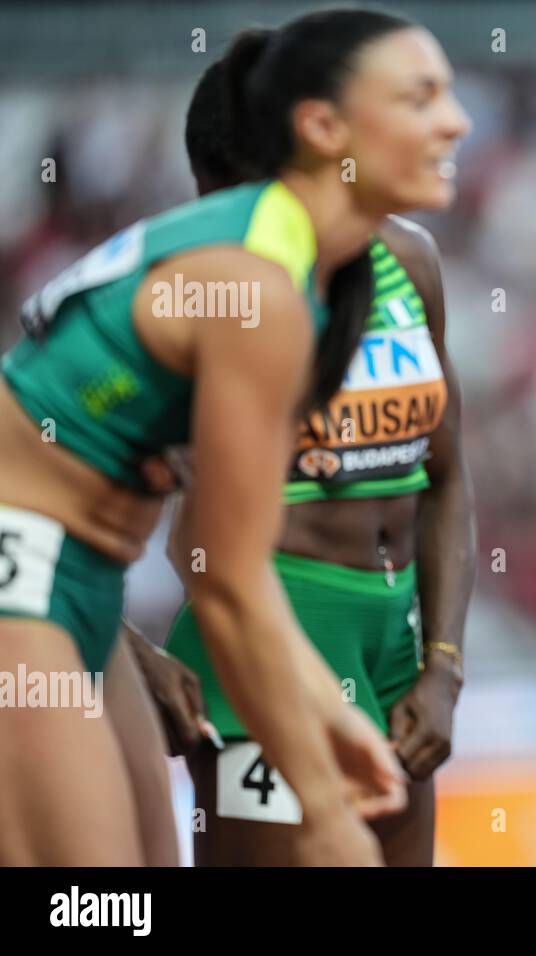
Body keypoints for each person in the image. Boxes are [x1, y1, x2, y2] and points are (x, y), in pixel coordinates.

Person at [0, 7, 462, 865]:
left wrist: (335, 717)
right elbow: (228, 579)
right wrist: (322, 808)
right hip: (20, 574)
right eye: (419, 97)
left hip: (83, 577)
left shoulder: (304, 266)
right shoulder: (255, 285)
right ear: (325, 129)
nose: (456, 119)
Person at [125, 48, 473, 866]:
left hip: (394, 647)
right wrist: (129, 648)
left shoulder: (408, 260)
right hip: (266, 637)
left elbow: (448, 477)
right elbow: (46, 486)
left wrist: (443, 668)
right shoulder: (199, 290)